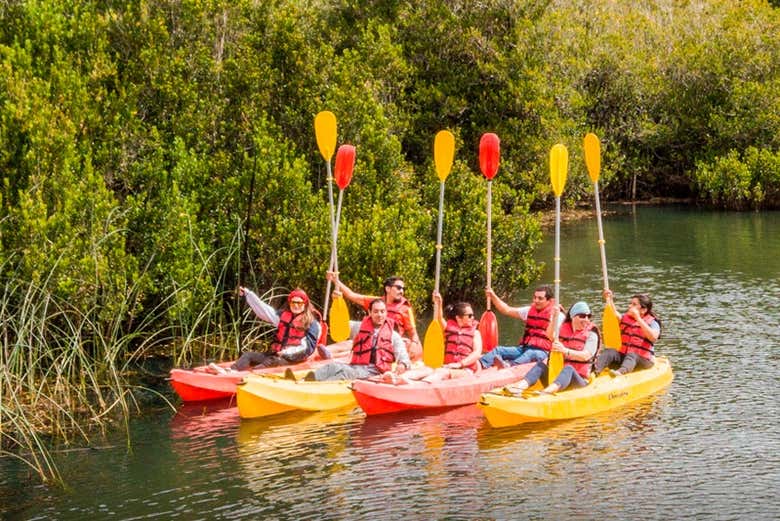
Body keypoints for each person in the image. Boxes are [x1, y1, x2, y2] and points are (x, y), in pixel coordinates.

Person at [208, 287, 322, 374]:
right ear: (290, 303)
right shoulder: (282, 316)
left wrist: (286, 352)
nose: (296, 305)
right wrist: (248, 294)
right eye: (293, 302)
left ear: (305, 304)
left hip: (294, 360)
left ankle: (250, 375)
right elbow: (264, 310)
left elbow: (308, 348)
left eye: (299, 303)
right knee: (249, 355)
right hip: (276, 355)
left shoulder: (313, 324)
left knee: (273, 361)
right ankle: (231, 371)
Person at [299, 298, 411, 381]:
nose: (379, 315)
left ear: (386, 313)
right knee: (332, 366)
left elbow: (404, 357)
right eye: (376, 311)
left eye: (382, 311)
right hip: (356, 367)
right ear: (369, 313)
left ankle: (317, 388)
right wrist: (337, 301)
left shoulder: (393, 336)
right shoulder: (359, 327)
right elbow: (341, 325)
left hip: (374, 373)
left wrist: (402, 365)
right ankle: (306, 381)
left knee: (344, 373)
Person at [505, 301, 600, 395]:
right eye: (582, 316)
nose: (586, 319)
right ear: (573, 316)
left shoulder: (591, 334)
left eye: (589, 316)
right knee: (540, 366)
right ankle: (519, 387)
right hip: (559, 377)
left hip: (580, 381)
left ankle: (545, 393)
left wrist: (564, 350)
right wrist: (554, 317)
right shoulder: (564, 329)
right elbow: (549, 335)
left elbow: (586, 356)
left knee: (569, 369)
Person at [325, 271, 422, 362]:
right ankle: (325, 351)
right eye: (398, 288)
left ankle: (333, 355)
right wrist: (335, 281)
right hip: (372, 336)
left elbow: (414, 333)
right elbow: (352, 295)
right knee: (349, 328)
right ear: (388, 289)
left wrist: (414, 344)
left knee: (359, 345)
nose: (402, 291)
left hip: (388, 342)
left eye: (403, 289)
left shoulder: (405, 309)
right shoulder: (376, 302)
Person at [390, 291, 482, 384]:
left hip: (466, 370)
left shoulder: (475, 333)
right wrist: (438, 303)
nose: (473, 318)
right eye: (470, 315)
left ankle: (421, 385)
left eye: (472, 315)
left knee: (442, 372)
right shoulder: (449, 329)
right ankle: (397, 378)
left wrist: (459, 364)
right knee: (426, 369)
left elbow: (477, 353)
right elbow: (439, 318)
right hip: (447, 366)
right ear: (458, 318)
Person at [478, 285, 566, 369]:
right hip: (524, 348)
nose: (536, 300)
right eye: (535, 297)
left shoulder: (558, 316)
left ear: (550, 301)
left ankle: (510, 366)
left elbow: (556, 338)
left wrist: (554, 317)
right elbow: (507, 310)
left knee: (530, 353)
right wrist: (493, 296)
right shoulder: (529, 310)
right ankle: (479, 365)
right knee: (499, 350)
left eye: (540, 298)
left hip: (544, 352)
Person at [592, 290, 661, 376]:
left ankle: (621, 372)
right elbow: (614, 314)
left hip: (643, 361)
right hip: (625, 357)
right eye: (630, 303)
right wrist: (609, 299)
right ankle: (595, 371)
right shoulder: (626, 318)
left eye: (634, 304)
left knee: (632, 355)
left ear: (643, 310)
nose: (630, 306)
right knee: (610, 351)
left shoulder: (653, 323)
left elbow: (653, 338)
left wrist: (638, 318)